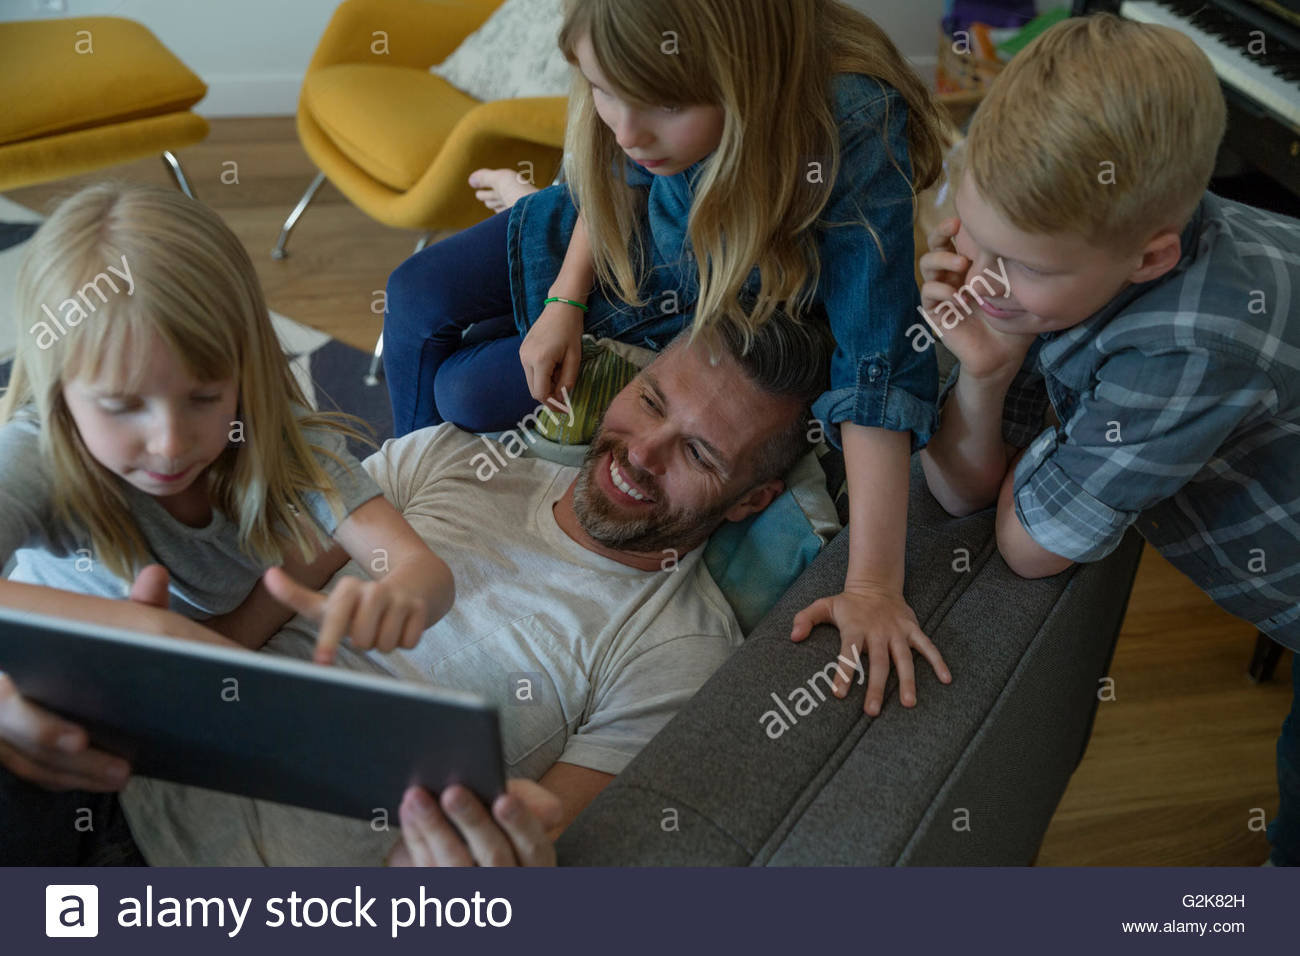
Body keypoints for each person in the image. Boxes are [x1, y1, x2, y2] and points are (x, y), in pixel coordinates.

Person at [0, 311, 832, 866]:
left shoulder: (679, 646)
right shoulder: (447, 456)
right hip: (105, 768)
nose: (642, 451)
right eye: (648, 400)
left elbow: (558, 844)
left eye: (699, 454)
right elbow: (238, 632)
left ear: (753, 500)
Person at [384, 0, 954, 717]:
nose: (626, 128)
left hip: (713, 305)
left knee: (463, 393)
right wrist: (564, 301)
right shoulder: (636, 127)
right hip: (620, 235)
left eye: (663, 105)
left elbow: (876, 362)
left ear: (747, 81)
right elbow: (616, 167)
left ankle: (522, 245)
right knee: (415, 296)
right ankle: (404, 513)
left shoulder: (851, 122)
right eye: (603, 91)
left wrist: (873, 583)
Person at [915, 15, 1300, 865]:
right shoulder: (1087, 225)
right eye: (974, 231)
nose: (980, 276)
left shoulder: (1184, 351)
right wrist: (986, 370)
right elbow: (961, 488)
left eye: (1027, 266)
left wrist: (997, 356)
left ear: (1151, 260)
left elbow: (1027, 546)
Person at [0, 183, 454, 664]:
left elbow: (423, 570)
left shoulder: (274, 430)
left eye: (204, 397)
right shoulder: (37, 451)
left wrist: (399, 599)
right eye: (121, 406)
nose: (170, 444)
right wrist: (148, 629)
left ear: (247, 369)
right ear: (58, 390)